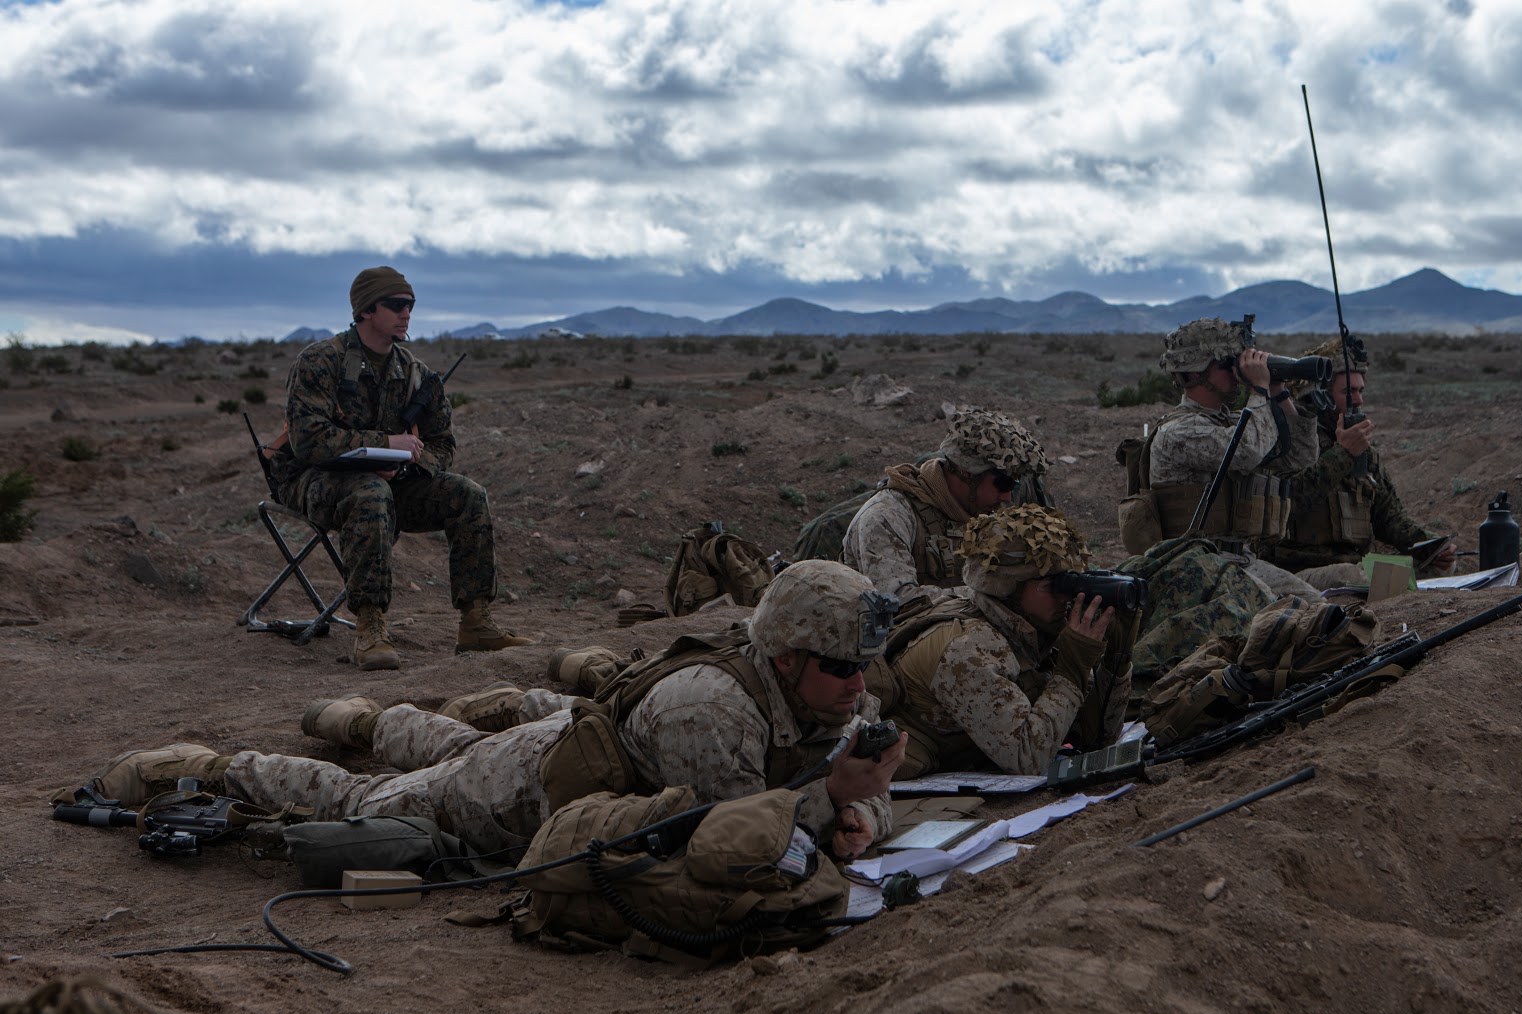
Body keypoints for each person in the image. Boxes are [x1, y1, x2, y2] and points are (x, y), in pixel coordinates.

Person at [62, 561, 908, 862]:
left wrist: (857, 804)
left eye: (862, 667)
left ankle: (365, 721)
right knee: (376, 807)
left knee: (452, 745)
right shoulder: (711, 713)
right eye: (842, 668)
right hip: (527, 790)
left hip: (571, 752)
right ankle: (210, 764)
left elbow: (831, 783)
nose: (858, 687)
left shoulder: (806, 684)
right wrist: (834, 801)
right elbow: (733, 837)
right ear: (791, 656)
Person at [273, 266, 529, 670]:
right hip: (315, 480)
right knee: (369, 494)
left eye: (410, 304)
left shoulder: (416, 376)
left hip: (392, 482)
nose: (406, 312)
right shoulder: (321, 362)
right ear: (366, 310)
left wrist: (409, 468)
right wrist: (385, 445)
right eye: (396, 304)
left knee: (468, 495)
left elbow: (443, 442)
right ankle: (370, 626)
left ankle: (476, 623)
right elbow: (308, 442)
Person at [877, 504, 1134, 778]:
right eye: (1054, 585)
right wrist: (1072, 667)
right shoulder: (967, 647)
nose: (1066, 597)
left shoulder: (1035, 626)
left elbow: (1096, 737)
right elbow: (1028, 760)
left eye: (1070, 583)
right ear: (1008, 587)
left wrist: (1116, 660)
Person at [1143, 317, 1322, 599]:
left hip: (1240, 561)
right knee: (1282, 617)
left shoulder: (1234, 424)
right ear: (1193, 374)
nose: (1238, 373)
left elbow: (1300, 458)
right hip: (1194, 565)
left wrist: (1278, 391)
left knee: (1318, 610)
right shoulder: (1178, 432)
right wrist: (1260, 391)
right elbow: (1246, 452)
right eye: (1228, 365)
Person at [1260, 340, 1455, 589]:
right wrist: (1342, 455)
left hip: (1356, 565)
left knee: (1441, 567)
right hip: (1298, 572)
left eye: (1360, 391)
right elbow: (1286, 503)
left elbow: (1389, 516)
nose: (1359, 401)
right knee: (1354, 577)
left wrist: (1431, 545)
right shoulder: (1288, 441)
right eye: (1348, 392)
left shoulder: (1363, 452)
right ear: (1320, 396)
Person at [841, 407, 1051, 602]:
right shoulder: (887, 516)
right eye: (1003, 484)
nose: (1007, 498)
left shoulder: (983, 512)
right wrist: (1000, 594)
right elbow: (896, 602)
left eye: (1013, 486)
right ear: (968, 474)